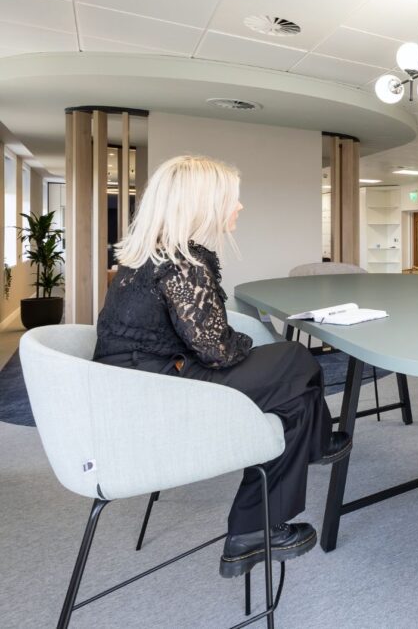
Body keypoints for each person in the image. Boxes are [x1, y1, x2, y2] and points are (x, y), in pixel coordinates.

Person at [93, 155, 350, 579]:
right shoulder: (182, 264)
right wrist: (247, 340)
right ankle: (260, 518)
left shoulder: (146, 256)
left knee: (292, 386)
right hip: (158, 393)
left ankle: (280, 493)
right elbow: (218, 351)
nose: (240, 206)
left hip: (132, 387)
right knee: (295, 360)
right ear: (202, 203)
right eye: (232, 198)